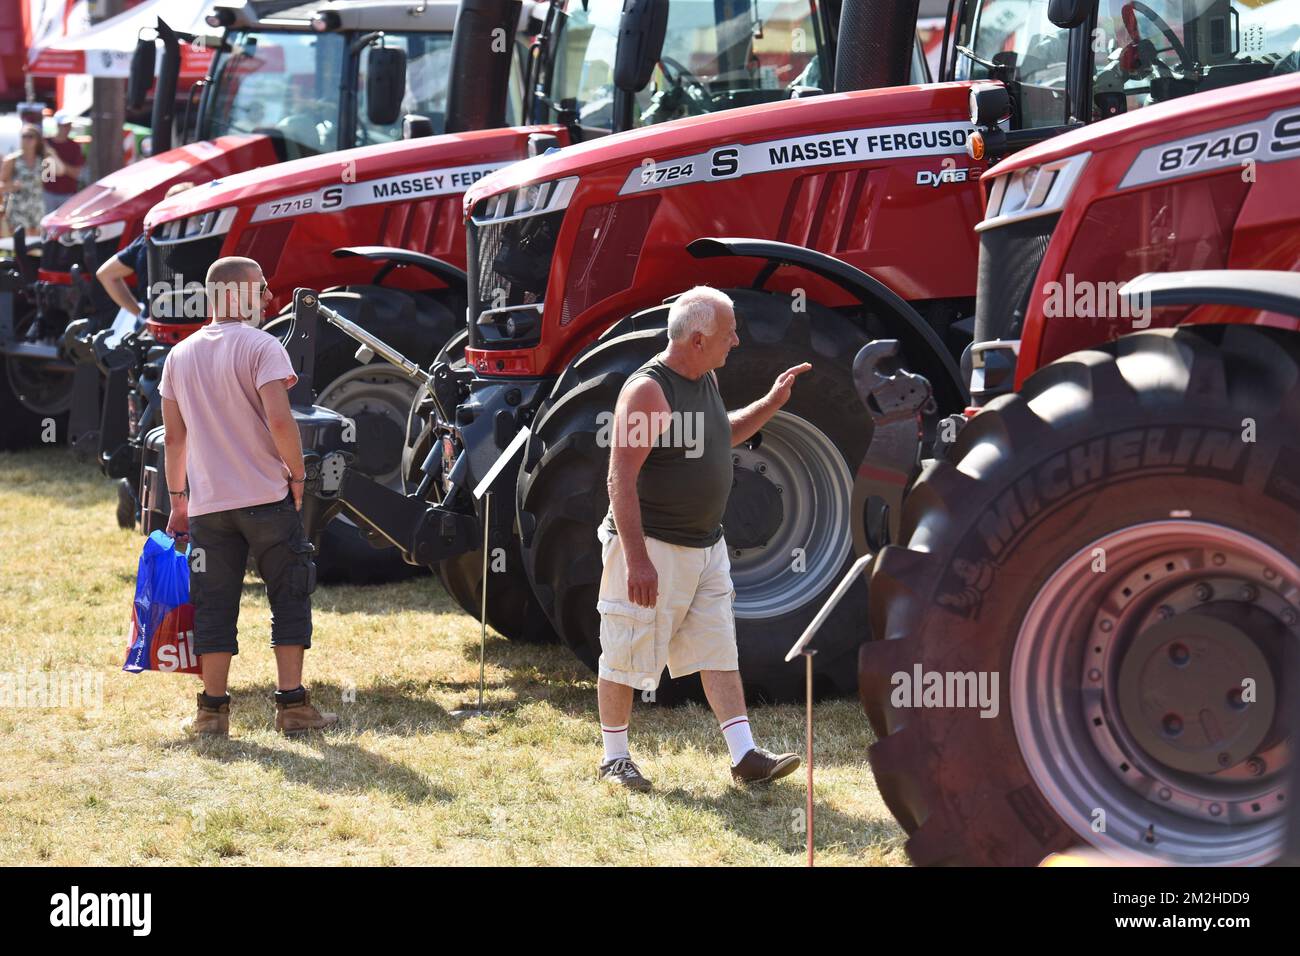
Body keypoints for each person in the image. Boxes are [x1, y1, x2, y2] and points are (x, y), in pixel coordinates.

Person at [597, 286, 810, 790]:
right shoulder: (648, 392)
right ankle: (614, 759)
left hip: (706, 546)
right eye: (728, 333)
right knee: (626, 651)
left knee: (717, 648)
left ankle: (744, 755)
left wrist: (771, 403)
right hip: (653, 546)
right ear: (697, 340)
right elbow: (620, 479)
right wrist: (637, 560)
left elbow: (721, 433)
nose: (736, 341)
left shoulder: (704, 378)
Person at [159, 255, 337, 738]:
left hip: (208, 506)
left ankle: (211, 714)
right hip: (265, 498)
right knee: (289, 594)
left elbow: (174, 439)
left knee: (214, 605)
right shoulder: (263, 347)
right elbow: (281, 420)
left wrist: (178, 501)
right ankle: (293, 708)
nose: (268, 297)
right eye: (261, 289)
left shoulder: (179, 356)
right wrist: (297, 475)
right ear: (237, 294)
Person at [96, 182, 196, 318]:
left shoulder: (147, 239)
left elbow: (106, 274)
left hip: (154, 323)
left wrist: (140, 315)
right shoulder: (209, 238)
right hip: (193, 322)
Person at [0, 123, 53, 239]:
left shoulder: (43, 159)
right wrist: (11, 186)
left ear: (37, 140)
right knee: (21, 242)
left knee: (35, 243)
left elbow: (52, 177)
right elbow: (1, 185)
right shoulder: (12, 159)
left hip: (37, 208)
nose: (27, 139)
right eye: (24, 136)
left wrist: (48, 151)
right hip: (18, 208)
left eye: (31, 136)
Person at [43, 112, 84, 215]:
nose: (67, 128)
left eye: (69, 125)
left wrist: (57, 161)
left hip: (68, 194)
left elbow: (76, 173)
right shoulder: (45, 143)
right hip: (48, 193)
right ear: (57, 125)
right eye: (64, 125)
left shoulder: (75, 147)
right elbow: (44, 172)